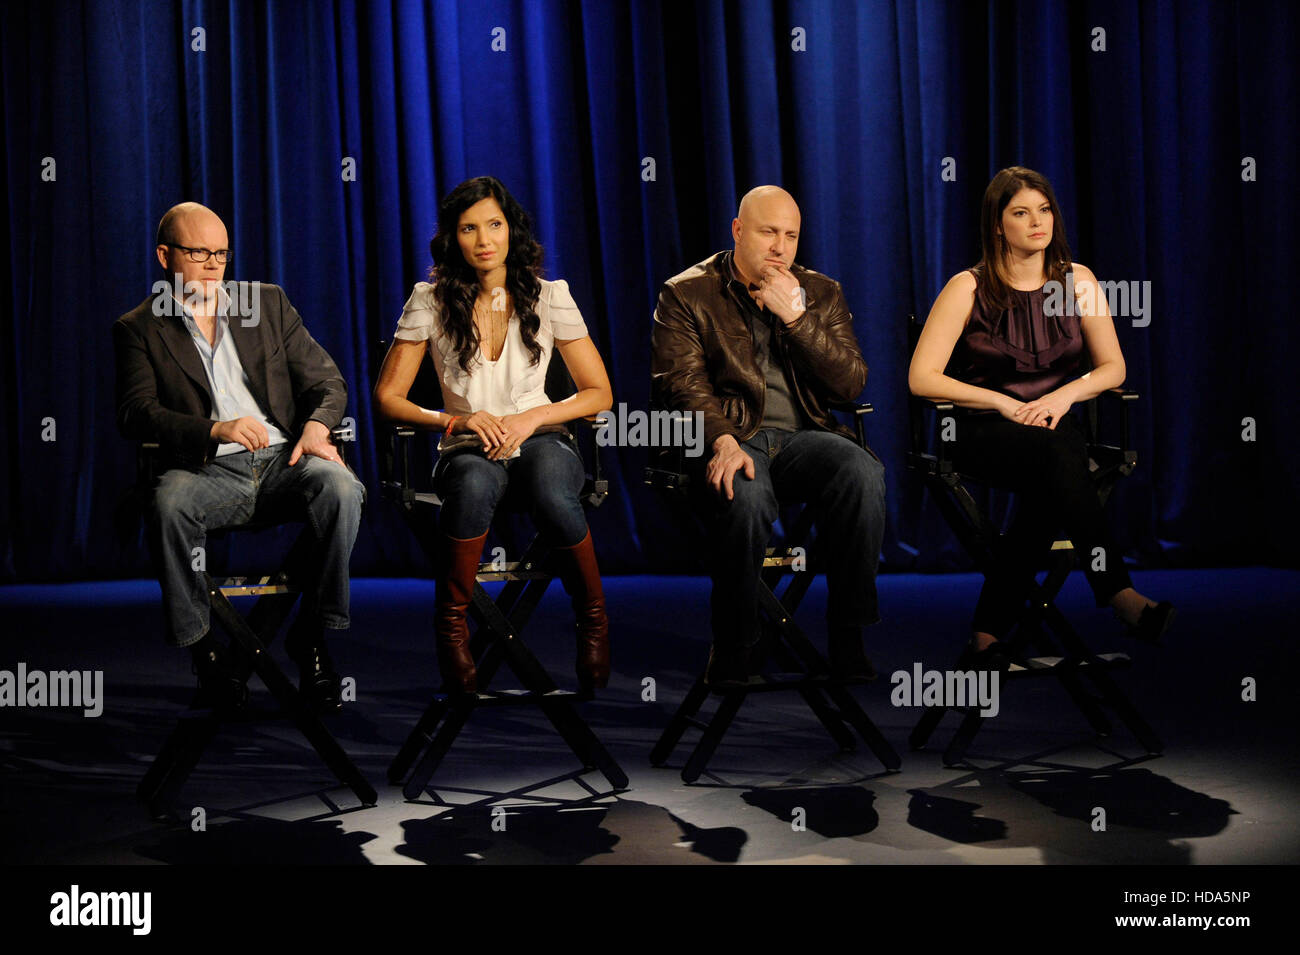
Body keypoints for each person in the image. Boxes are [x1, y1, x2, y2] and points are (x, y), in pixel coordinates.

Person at [908, 166, 1174, 667]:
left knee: (1054, 471)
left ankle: (986, 636)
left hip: (1054, 427)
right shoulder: (967, 287)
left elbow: (1114, 367)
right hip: (983, 431)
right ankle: (1120, 594)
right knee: (1062, 459)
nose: (1038, 221)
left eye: (1045, 209)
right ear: (997, 225)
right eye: (1021, 213)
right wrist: (1004, 403)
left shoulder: (1079, 282)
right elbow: (922, 377)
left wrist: (1063, 397)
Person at [113, 201, 364, 712]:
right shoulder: (139, 327)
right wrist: (215, 428)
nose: (211, 264)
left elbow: (327, 381)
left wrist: (316, 428)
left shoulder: (266, 304)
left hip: (282, 460)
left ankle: (311, 638)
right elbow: (135, 414)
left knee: (342, 488)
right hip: (205, 468)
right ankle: (205, 653)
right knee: (168, 505)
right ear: (165, 256)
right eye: (198, 252)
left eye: (221, 254)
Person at [374, 176, 613, 695]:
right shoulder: (429, 300)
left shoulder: (552, 297)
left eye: (495, 225)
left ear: (512, 231)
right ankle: (453, 629)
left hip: (543, 436)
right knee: (475, 485)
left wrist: (533, 419)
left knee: (553, 484)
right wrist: (452, 420)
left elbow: (599, 393)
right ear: (452, 238)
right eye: (469, 228)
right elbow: (388, 396)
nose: (484, 239)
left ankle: (593, 623)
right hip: (466, 442)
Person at [651, 185, 887, 687]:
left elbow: (851, 382)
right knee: (746, 492)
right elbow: (681, 386)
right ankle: (735, 641)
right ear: (738, 231)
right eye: (767, 233)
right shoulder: (686, 293)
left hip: (804, 437)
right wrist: (721, 440)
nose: (780, 247)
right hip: (730, 437)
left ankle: (849, 632)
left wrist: (797, 319)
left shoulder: (821, 292)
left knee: (862, 472)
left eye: (791, 236)